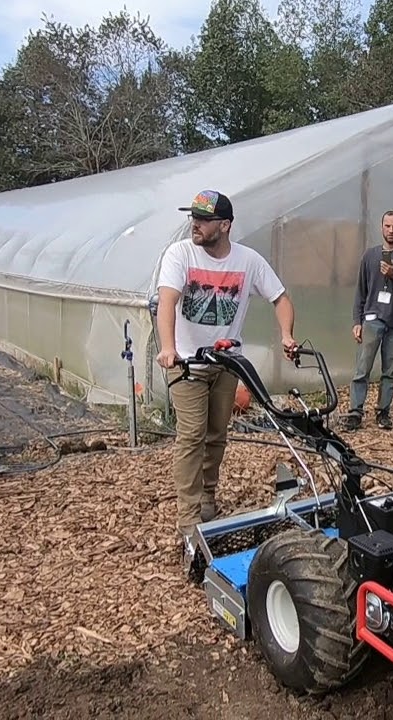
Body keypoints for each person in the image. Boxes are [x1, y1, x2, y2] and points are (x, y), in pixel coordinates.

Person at [155, 189, 298, 544]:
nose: (195, 225)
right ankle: (188, 517)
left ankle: (207, 496)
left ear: (225, 225)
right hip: (187, 363)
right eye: (194, 218)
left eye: (203, 219)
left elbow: (280, 298)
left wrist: (286, 335)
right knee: (191, 435)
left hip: (224, 362)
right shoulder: (180, 254)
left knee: (217, 434)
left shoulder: (248, 261)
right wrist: (169, 348)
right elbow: (167, 302)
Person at [342, 210, 393, 431]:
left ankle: (383, 412)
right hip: (372, 319)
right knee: (362, 368)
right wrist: (356, 321)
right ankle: (355, 412)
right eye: (387, 226)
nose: (391, 230)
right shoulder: (370, 256)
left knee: (389, 371)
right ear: (381, 227)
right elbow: (361, 290)